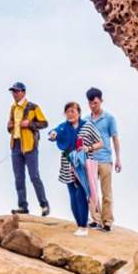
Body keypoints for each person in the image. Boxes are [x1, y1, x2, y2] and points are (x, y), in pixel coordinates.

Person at [48, 102, 102, 237]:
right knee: (72, 194)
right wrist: (53, 134)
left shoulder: (87, 125)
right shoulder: (63, 127)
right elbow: (53, 132)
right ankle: (79, 224)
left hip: (82, 165)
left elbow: (100, 143)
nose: (70, 114)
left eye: (73, 111)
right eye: (67, 112)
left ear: (79, 112)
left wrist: (88, 148)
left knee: (81, 194)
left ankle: (84, 226)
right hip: (67, 163)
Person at [6, 82, 50, 216]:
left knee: (34, 176)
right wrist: (9, 126)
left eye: (17, 91)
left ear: (24, 92)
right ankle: (22, 206)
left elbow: (44, 123)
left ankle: (44, 205)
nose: (15, 94)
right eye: (13, 91)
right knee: (19, 178)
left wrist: (30, 124)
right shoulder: (13, 108)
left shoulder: (33, 107)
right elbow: (10, 129)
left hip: (30, 146)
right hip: (16, 145)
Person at [85, 88, 120, 232]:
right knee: (91, 193)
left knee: (106, 193)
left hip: (105, 159)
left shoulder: (109, 118)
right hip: (90, 160)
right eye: (90, 103)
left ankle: (107, 222)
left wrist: (118, 159)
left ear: (101, 101)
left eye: (95, 103)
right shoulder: (86, 120)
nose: (93, 106)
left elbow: (115, 139)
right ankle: (95, 219)